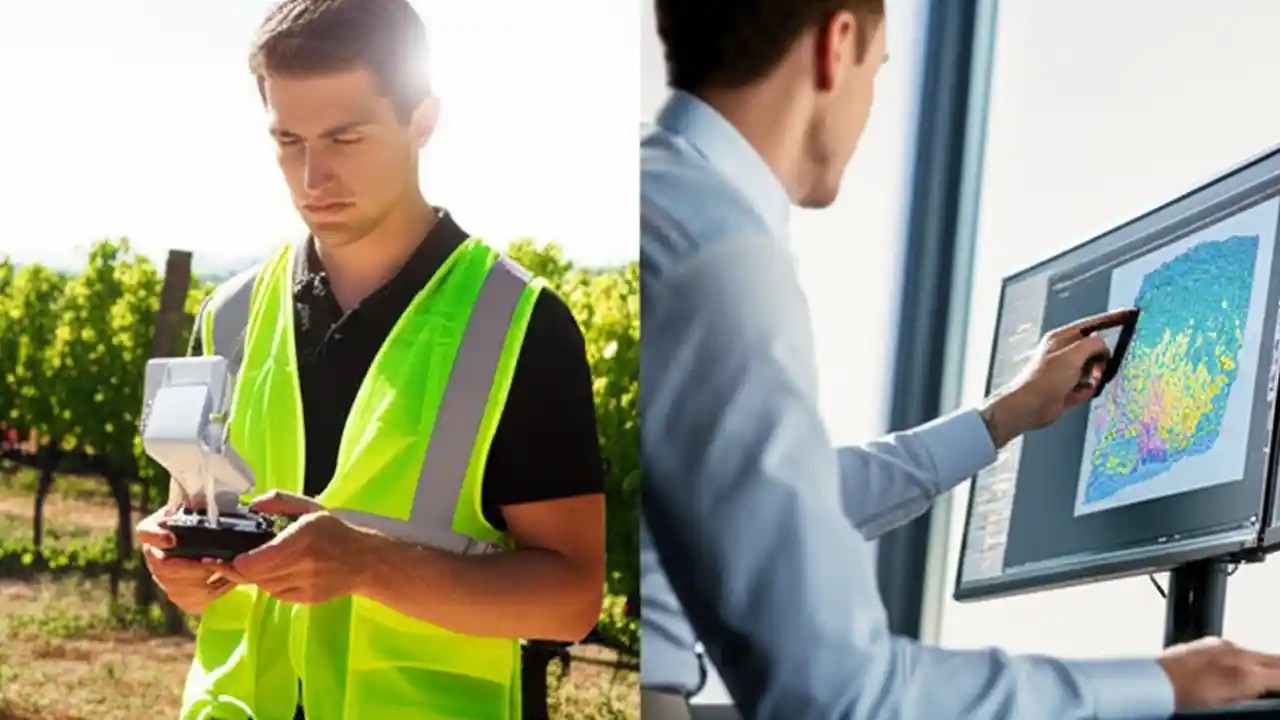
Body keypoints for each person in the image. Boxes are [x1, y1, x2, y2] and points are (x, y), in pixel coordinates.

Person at [639, 1, 1280, 718]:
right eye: (878, 72)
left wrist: (998, 419)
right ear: (837, 44)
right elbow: (842, 692)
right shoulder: (722, 260)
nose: (869, 109)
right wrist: (1165, 684)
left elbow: (776, 496)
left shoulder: (665, 198)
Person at [135, 1, 605, 718]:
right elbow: (191, 520)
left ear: (423, 118)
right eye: (288, 140)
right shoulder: (226, 316)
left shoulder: (520, 326)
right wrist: (180, 568)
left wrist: (366, 565)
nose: (312, 176)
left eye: (345, 138)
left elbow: (570, 602)